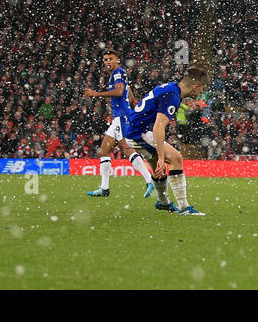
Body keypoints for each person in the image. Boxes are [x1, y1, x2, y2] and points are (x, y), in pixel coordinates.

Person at [127, 67, 210, 216]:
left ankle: (163, 202)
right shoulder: (173, 95)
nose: (200, 93)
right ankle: (184, 207)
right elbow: (159, 126)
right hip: (138, 132)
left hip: (135, 129)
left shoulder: (172, 88)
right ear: (195, 87)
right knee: (176, 158)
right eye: (201, 89)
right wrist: (161, 157)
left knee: (158, 169)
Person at [83, 50, 155, 199]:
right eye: (105, 60)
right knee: (104, 150)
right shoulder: (119, 74)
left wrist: (97, 94)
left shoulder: (118, 72)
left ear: (117, 60)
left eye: (110, 59)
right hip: (120, 117)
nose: (107, 62)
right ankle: (104, 188)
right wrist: (121, 110)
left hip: (122, 118)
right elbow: (130, 96)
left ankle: (150, 180)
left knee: (127, 149)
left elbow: (119, 91)